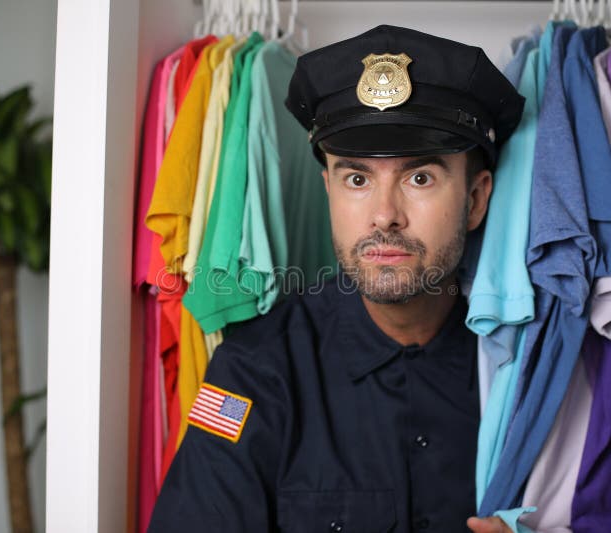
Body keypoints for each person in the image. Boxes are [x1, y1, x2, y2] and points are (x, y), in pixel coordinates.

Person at [149, 25, 525, 533]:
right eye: (357, 179)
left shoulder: (523, 371)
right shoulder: (252, 372)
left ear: (476, 199)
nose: (385, 216)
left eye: (420, 178)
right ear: (328, 190)